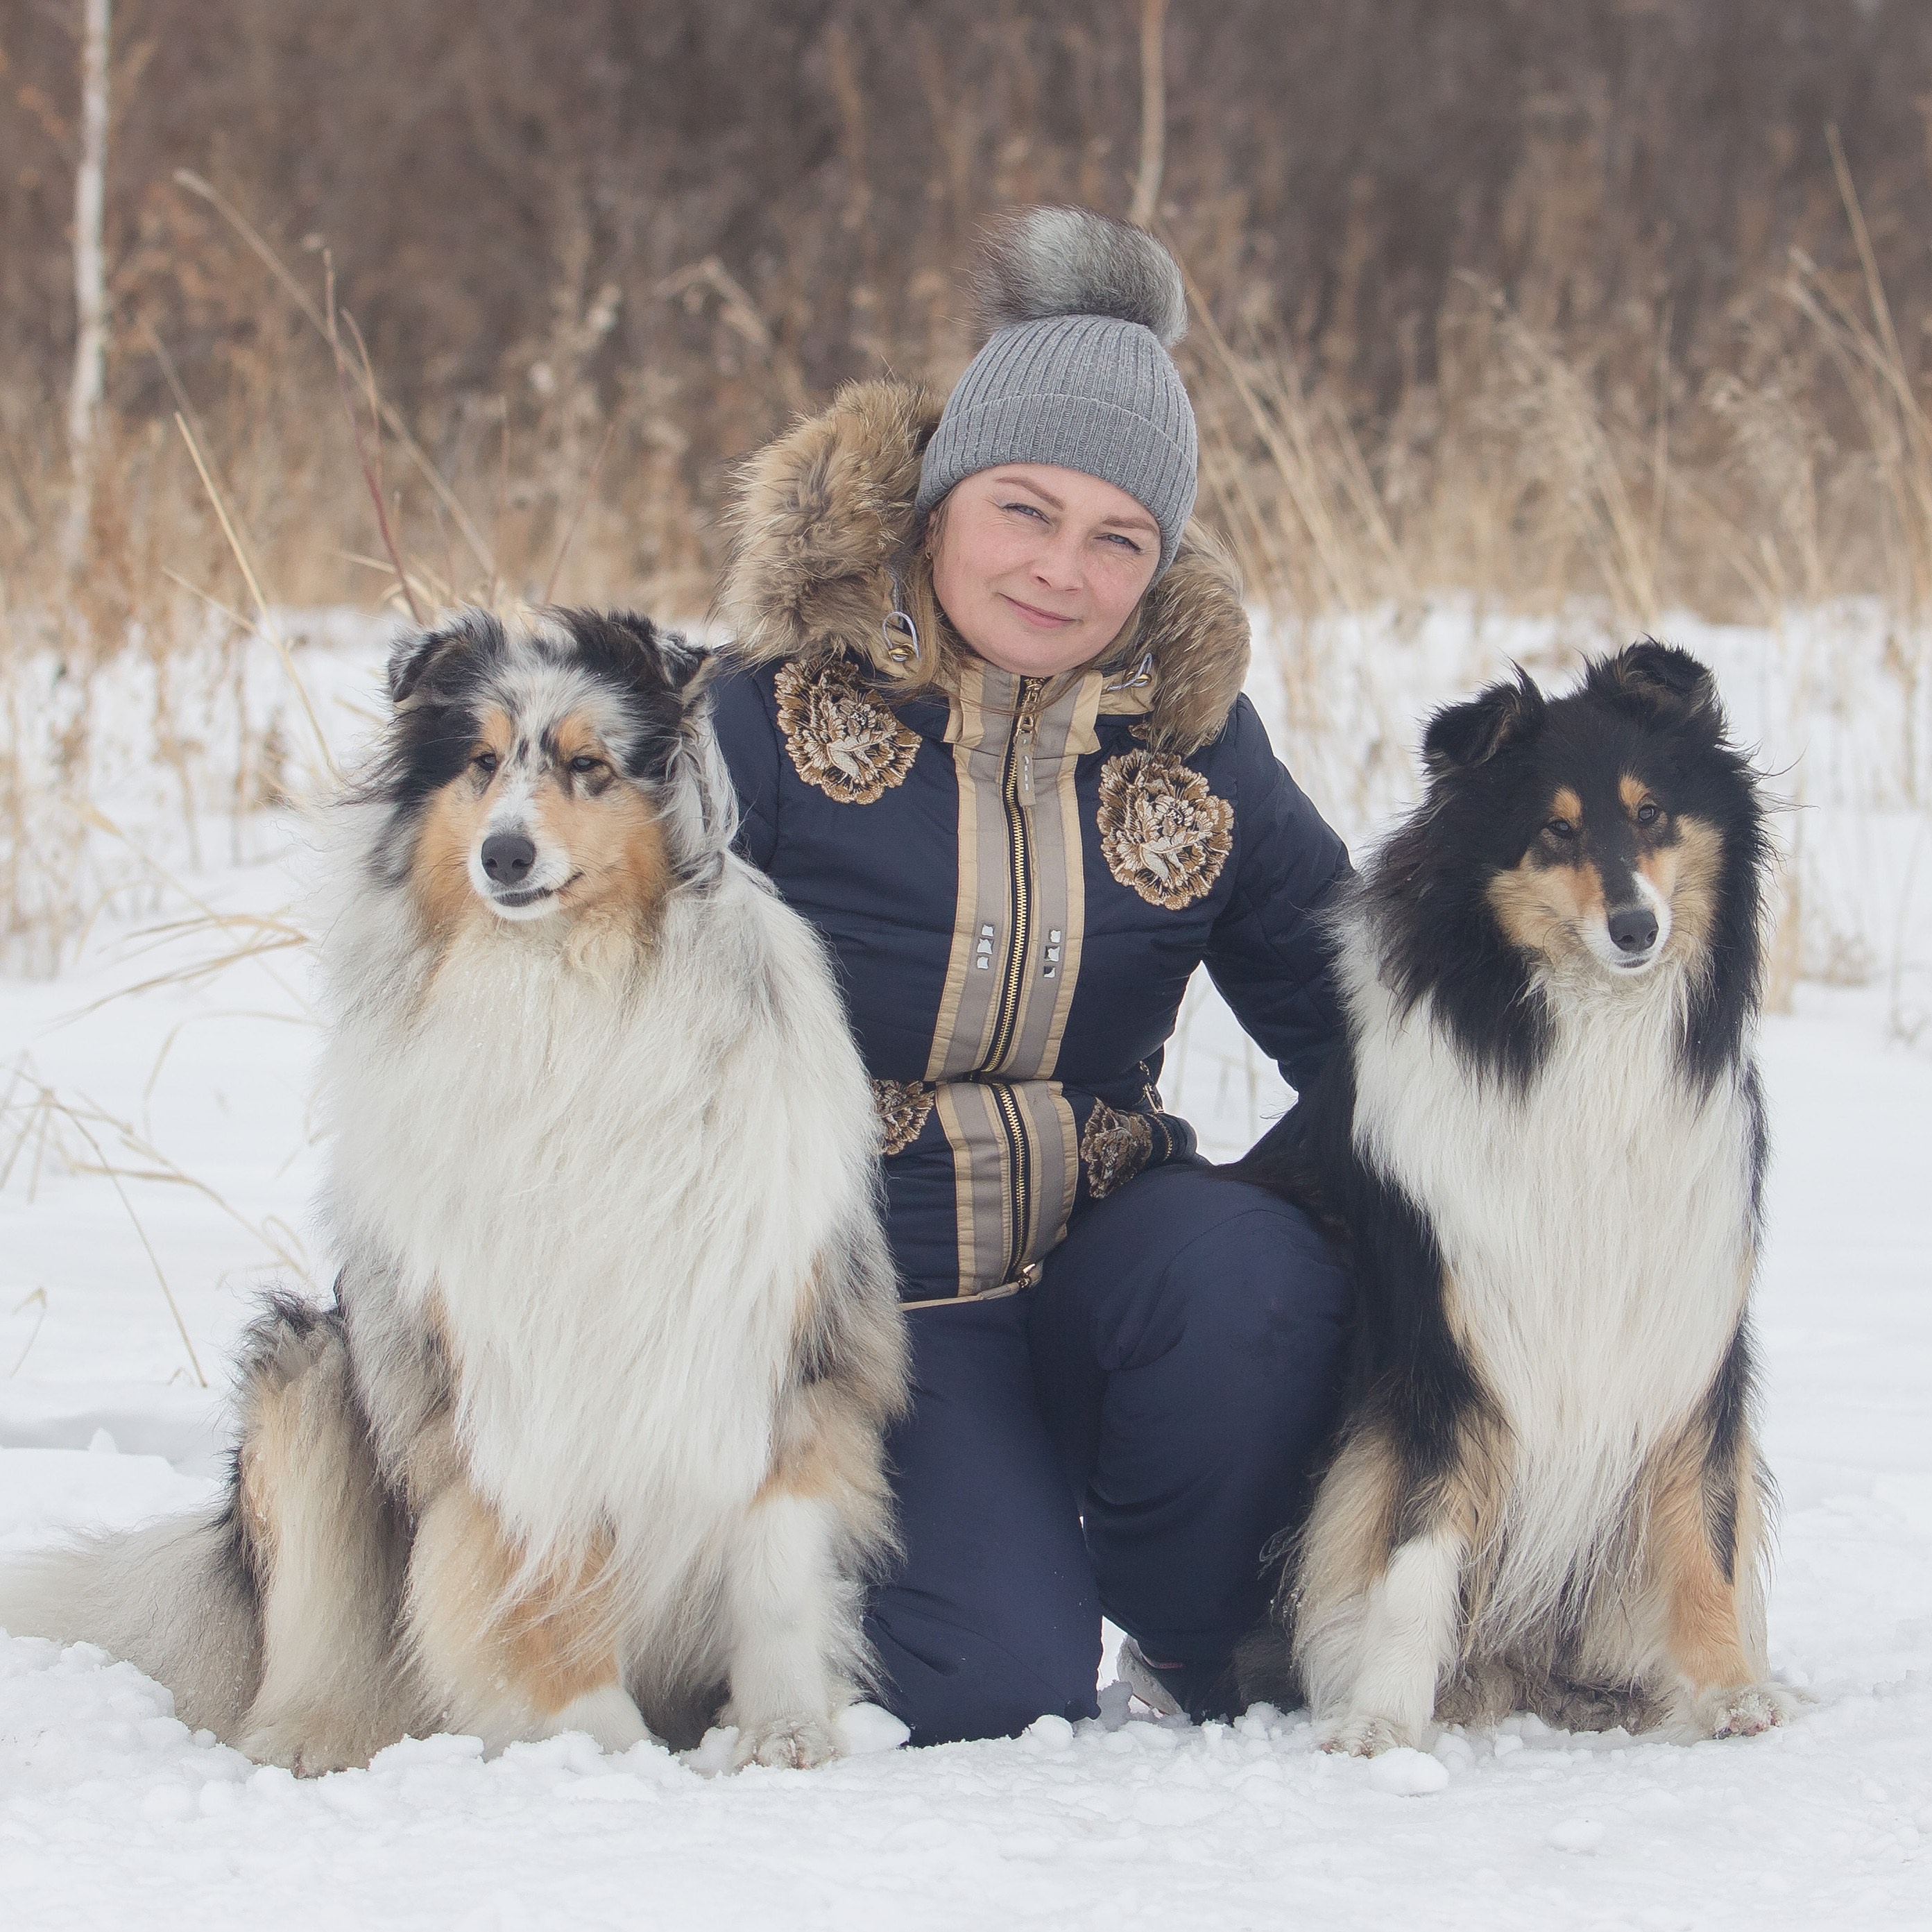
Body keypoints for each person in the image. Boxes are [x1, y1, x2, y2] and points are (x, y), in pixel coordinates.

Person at [709, 207, 1351, 1743]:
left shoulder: (1199, 752)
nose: (1062, 571)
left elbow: (1374, 1018)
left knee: (1252, 1274)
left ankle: (1207, 1637)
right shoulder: (760, 723)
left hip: (1097, 1271)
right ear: (939, 500)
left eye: (1117, 536)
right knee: (989, 1674)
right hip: (861, 1312)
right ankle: (714, 1612)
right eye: (1022, 509)